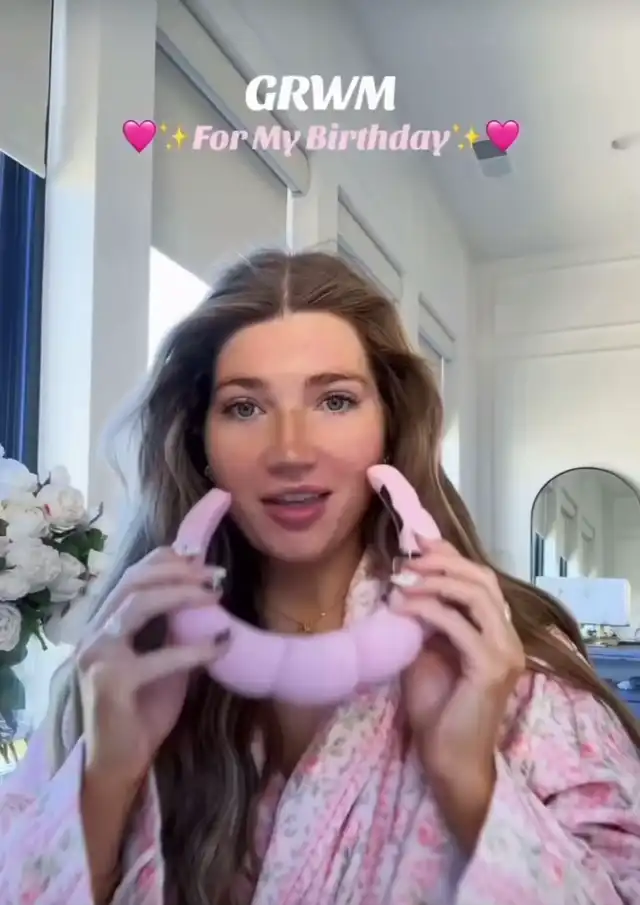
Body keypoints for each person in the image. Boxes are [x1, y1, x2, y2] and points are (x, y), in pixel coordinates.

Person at [1, 250, 639, 905]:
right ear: (200, 442)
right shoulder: (121, 669)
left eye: (335, 400)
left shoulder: (515, 669)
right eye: (244, 407)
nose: (291, 451)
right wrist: (107, 777)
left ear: (390, 428)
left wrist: (469, 780)